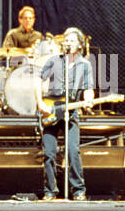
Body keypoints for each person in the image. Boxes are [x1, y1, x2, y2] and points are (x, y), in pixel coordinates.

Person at [38, 27, 93, 201]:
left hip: (71, 111)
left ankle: (78, 190)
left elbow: (88, 88)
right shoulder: (54, 60)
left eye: (71, 40)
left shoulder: (85, 65)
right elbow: (38, 81)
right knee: (49, 153)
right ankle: (50, 191)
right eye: (66, 40)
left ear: (80, 44)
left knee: (73, 151)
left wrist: (89, 100)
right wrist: (40, 103)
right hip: (51, 109)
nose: (67, 43)